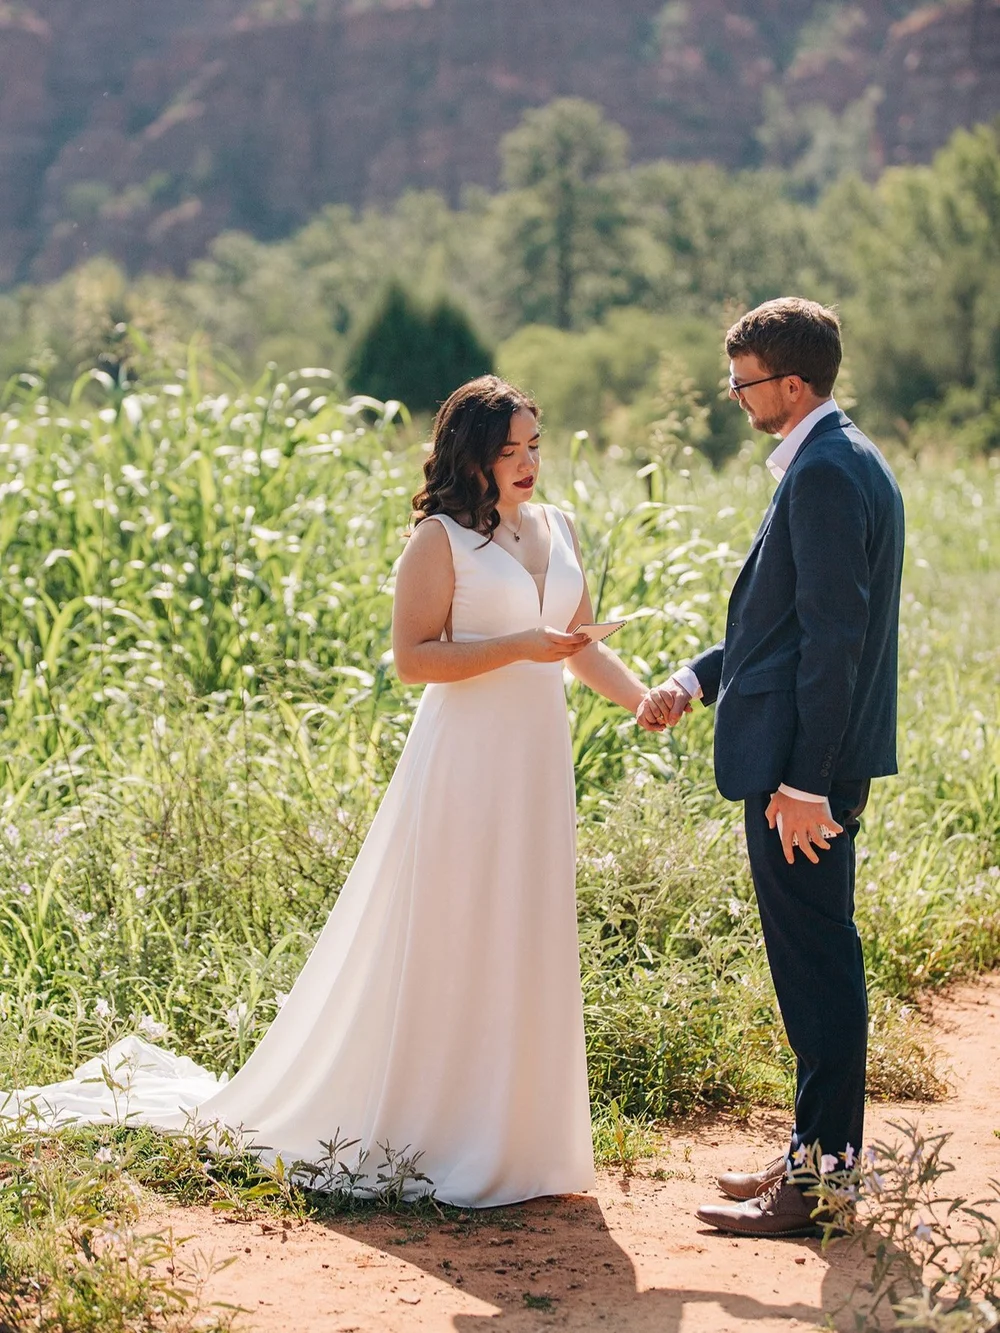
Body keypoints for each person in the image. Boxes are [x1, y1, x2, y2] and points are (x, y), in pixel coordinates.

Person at [1, 375, 651, 1209]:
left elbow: (579, 646)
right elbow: (413, 659)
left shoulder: (558, 527)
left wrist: (642, 699)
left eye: (534, 446)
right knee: (455, 926)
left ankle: (521, 1137)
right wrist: (520, 645)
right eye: (508, 450)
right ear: (471, 457)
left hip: (536, 761)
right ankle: (441, 1130)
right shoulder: (439, 540)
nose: (527, 463)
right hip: (465, 762)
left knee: (525, 922)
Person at [639, 298, 904, 1239]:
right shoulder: (841, 457)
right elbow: (784, 625)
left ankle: (824, 1180)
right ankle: (811, 1153)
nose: (734, 395)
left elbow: (836, 641)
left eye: (744, 382)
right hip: (804, 756)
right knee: (812, 957)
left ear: (792, 384)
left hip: (804, 769)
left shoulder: (825, 472)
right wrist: (695, 679)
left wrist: (807, 783)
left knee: (817, 964)